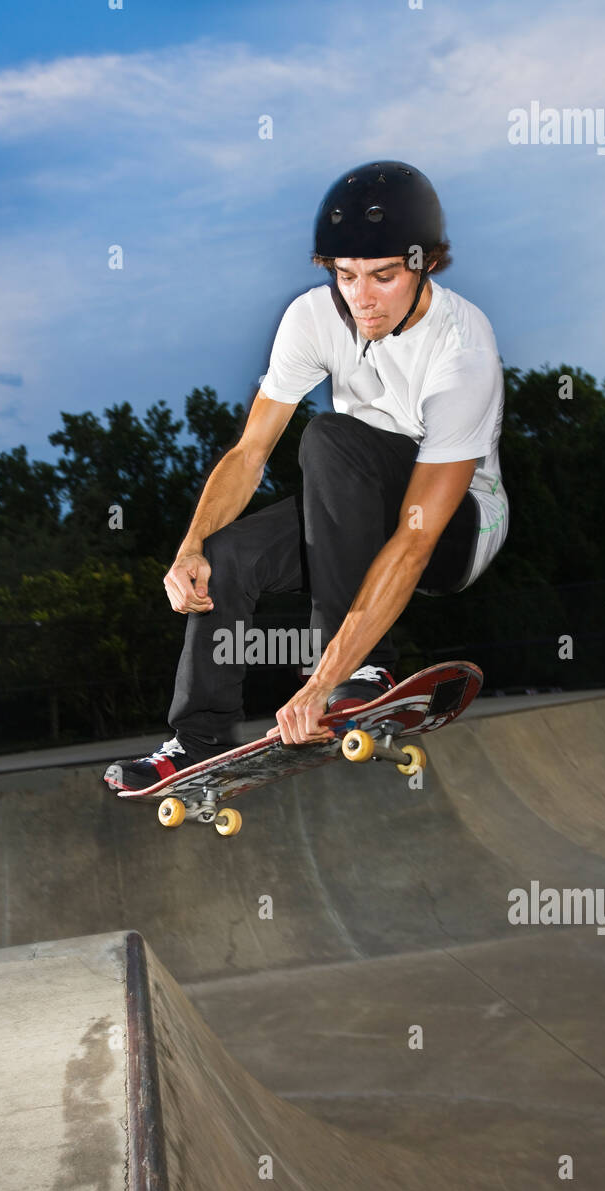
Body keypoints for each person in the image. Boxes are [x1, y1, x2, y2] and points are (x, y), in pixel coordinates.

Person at [106, 160, 507, 792]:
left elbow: (414, 540)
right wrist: (187, 548)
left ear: (425, 263)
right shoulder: (313, 319)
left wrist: (327, 678)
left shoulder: (465, 351)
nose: (362, 298)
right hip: (353, 509)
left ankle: (365, 670)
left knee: (330, 439)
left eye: (383, 277)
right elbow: (248, 453)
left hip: (455, 530)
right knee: (228, 553)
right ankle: (197, 738)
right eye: (346, 277)